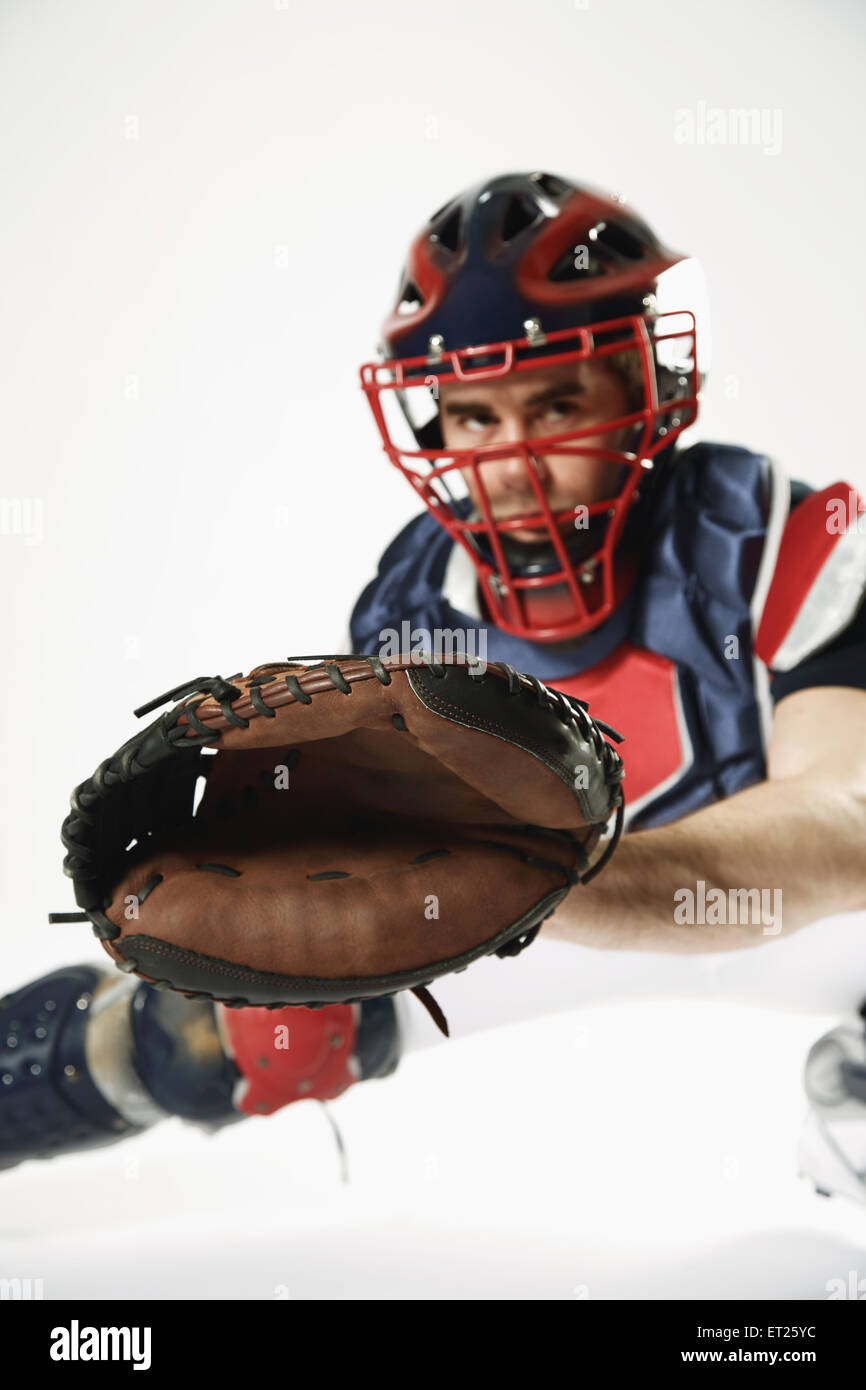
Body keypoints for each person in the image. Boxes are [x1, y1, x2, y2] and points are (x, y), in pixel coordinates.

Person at [3, 172, 865, 1204]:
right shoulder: (413, 608)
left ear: (644, 388)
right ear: (431, 424)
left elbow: (843, 823)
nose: (512, 463)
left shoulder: (767, 535)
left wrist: (547, 861)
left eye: (554, 403)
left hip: (798, 925)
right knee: (216, 1030)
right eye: (473, 414)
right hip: (538, 926)